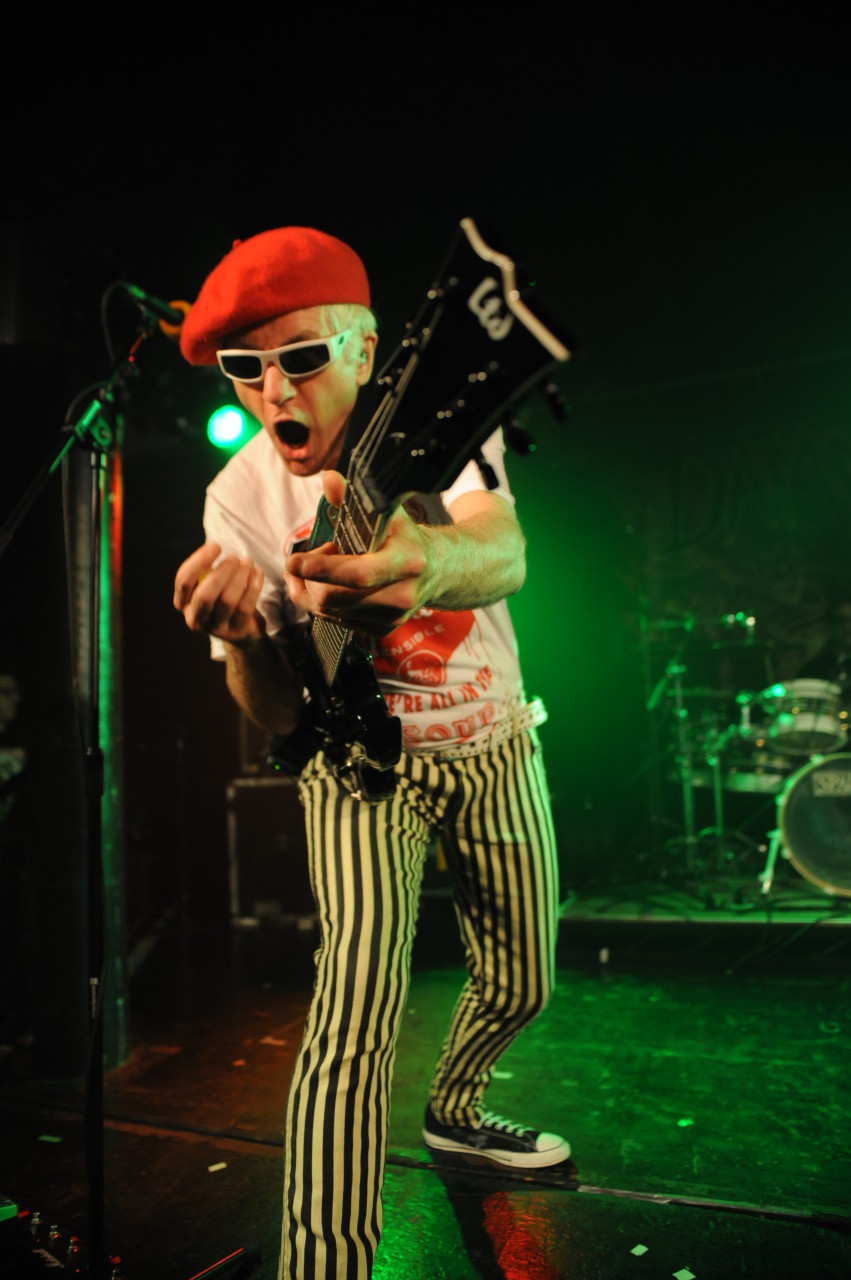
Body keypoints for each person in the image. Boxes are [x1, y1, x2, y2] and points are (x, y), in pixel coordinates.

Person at [172, 226, 571, 1280]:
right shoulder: (238, 497)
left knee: (523, 981)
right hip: (357, 770)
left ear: (363, 347)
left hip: (491, 738)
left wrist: (423, 557)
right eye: (245, 368)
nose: (272, 390)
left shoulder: (435, 425)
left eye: (300, 357)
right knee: (352, 1015)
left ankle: (455, 1109)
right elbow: (273, 716)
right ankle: (323, 1263)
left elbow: (504, 550)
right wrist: (245, 643)